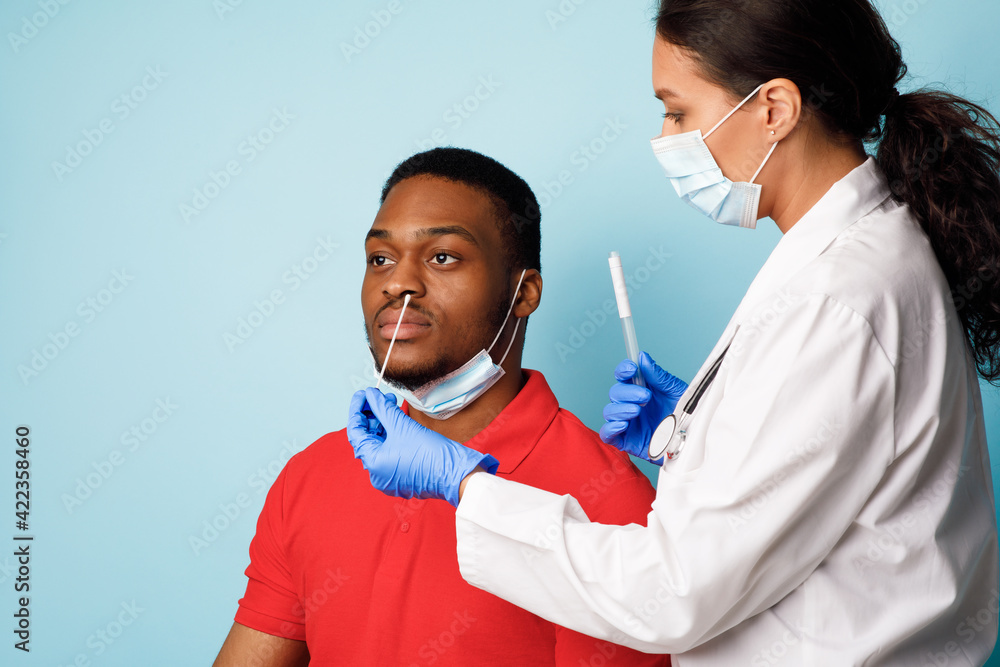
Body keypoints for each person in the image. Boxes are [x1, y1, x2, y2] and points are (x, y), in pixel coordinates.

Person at [347, 1, 1000, 664]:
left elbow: (672, 592)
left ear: (774, 108)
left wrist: (465, 485)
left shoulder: (839, 298)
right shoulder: (861, 256)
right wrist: (698, 435)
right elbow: (826, 482)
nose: (667, 136)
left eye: (679, 111)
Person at [214, 147, 670, 666]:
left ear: (524, 293)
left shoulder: (611, 507)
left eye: (442, 256)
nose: (397, 282)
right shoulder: (311, 477)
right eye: (380, 258)